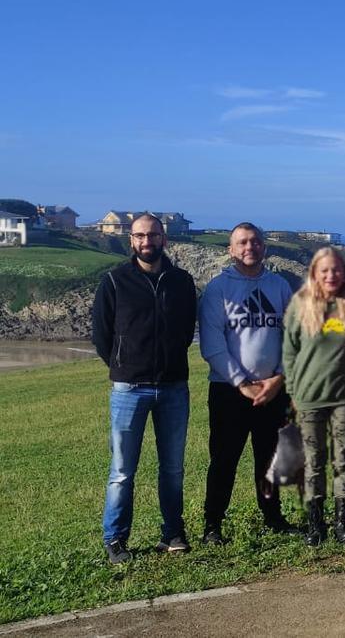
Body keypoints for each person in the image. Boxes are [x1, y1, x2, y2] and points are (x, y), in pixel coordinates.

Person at [91, 214, 197, 563]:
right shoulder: (115, 281)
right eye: (139, 236)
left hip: (173, 387)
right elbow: (102, 335)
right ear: (131, 240)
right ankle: (116, 539)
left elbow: (185, 331)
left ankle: (172, 533)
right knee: (122, 471)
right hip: (128, 389)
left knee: (172, 468)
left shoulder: (181, 281)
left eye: (152, 235)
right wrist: (124, 364)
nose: (146, 241)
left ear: (164, 239)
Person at [199, 222, 296, 544]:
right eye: (241, 243)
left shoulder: (280, 286)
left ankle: (273, 517)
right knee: (224, 459)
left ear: (264, 248)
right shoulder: (218, 289)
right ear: (231, 250)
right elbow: (212, 344)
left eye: (255, 242)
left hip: (273, 390)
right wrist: (242, 383)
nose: (249, 247)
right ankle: (212, 524)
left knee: (268, 458)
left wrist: (278, 378)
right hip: (228, 391)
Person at [282, 247, 345, 546]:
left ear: (344, 272)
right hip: (309, 398)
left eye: (337, 270)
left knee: (342, 459)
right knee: (313, 461)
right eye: (325, 270)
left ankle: (342, 521)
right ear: (315, 273)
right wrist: (292, 391)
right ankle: (315, 523)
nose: (331, 275)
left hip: (344, 397)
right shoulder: (300, 304)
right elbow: (289, 352)